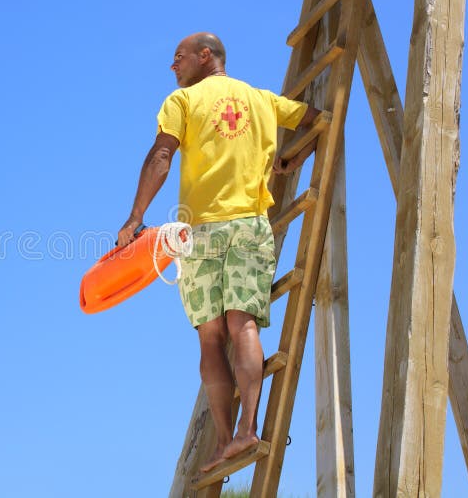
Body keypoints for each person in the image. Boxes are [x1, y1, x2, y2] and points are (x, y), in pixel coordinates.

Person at [116, 32, 320, 473]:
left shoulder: (182, 102)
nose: (173, 67)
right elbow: (318, 119)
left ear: (205, 56)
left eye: (178, 58)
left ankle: (226, 440)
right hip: (249, 226)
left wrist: (135, 219)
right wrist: (283, 159)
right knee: (243, 324)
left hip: (202, 231)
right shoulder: (262, 99)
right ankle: (248, 430)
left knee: (211, 338)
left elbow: (161, 156)